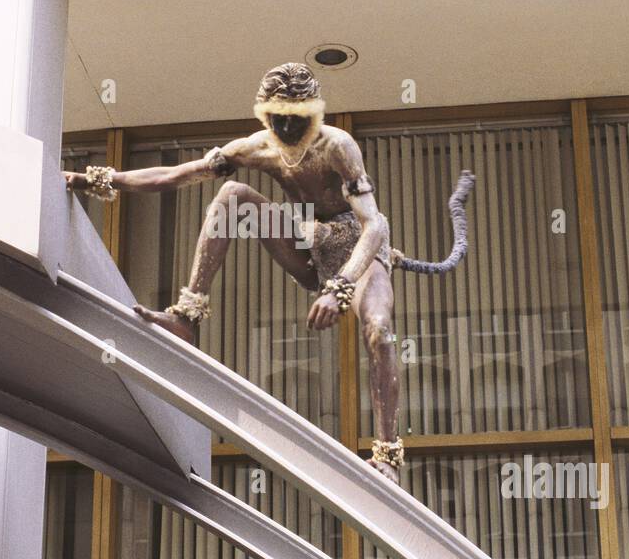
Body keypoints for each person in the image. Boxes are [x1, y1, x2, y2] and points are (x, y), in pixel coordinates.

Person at [66, 62, 472, 484]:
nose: (288, 128)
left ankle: (387, 454)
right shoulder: (257, 147)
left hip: (360, 253)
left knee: (379, 328)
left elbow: (376, 225)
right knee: (233, 195)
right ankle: (187, 317)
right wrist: (92, 178)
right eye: (279, 118)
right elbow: (175, 175)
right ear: (266, 115)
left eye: (297, 119)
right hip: (310, 247)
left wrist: (341, 288)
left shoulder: (338, 146)